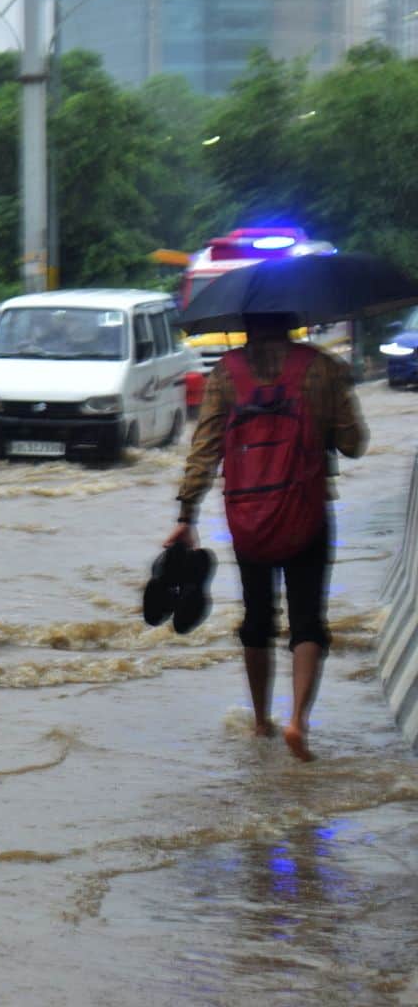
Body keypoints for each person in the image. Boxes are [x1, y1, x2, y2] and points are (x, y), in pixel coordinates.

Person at [166, 312, 368, 761]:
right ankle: (298, 721)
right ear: (295, 320)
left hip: (247, 516)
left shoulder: (225, 373)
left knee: (257, 616)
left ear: (246, 324)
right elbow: (354, 443)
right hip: (306, 512)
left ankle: (260, 721)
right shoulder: (322, 368)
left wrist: (187, 512)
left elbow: (206, 448)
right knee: (308, 619)